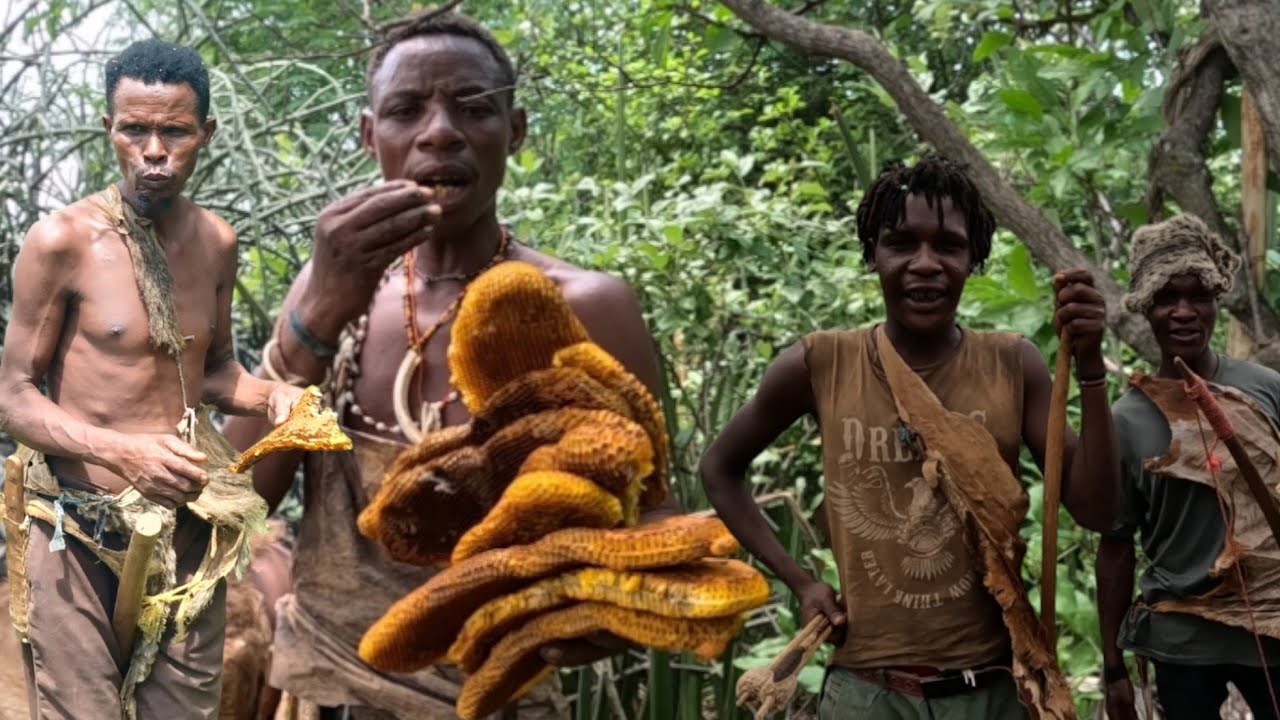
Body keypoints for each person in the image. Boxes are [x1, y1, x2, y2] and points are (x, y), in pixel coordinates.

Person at [221, 10, 672, 720]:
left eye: (473, 108)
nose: (439, 132)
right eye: (406, 110)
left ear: (514, 131)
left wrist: (600, 612)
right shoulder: (332, 293)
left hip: (497, 703)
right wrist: (318, 317)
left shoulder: (585, 308)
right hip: (324, 695)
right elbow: (233, 505)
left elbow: (653, 521)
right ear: (373, 137)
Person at [700, 156, 1118, 719]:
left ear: (975, 258)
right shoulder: (822, 362)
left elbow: (1095, 508)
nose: (926, 264)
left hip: (990, 692)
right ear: (873, 256)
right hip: (867, 692)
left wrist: (1091, 368)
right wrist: (801, 582)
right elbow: (719, 469)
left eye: (948, 245)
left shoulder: (1012, 364)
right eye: (901, 243)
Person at [0, 39, 303, 719]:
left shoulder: (217, 242)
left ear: (206, 134)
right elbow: (12, 397)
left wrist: (274, 395)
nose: (154, 150)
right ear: (109, 128)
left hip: (187, 537)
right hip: (74, 532)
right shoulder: (61, 243)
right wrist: (122, 453)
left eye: (174, 131)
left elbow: (213, 370)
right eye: (134, 129)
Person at [1097, 213, 1280, 720]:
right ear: (1144, 308)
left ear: (1217, 299)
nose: (1183, 312)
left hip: (1271, 628)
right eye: (1165, 298)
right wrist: (1113, 665)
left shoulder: (1265, 389)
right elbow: (1116, 546)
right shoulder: (1127, 420)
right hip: (1181, 639)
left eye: (1198, 294)